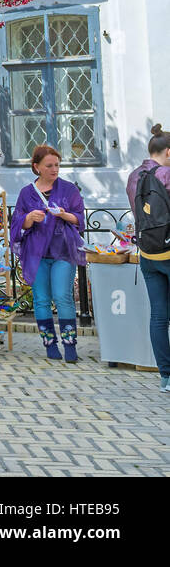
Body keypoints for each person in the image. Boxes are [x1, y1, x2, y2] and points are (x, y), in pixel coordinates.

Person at [10, 144, 87, 362]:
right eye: (49, 165)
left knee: (63, 297)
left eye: (57, 165)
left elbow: (80, 219)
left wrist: (64, 215)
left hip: (63, 251)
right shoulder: (27, 193)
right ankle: (50, 344)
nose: (54, 169)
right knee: (41, 300)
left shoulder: (69, 189)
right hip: (36, 254)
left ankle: (70, 345)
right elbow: (17, 224)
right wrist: (29, 218)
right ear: (37, 167)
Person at [126, 123, 170, 391]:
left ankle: (166, 376)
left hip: (148, 253)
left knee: (158, 316)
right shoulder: (166, 174)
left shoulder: (134, 176)